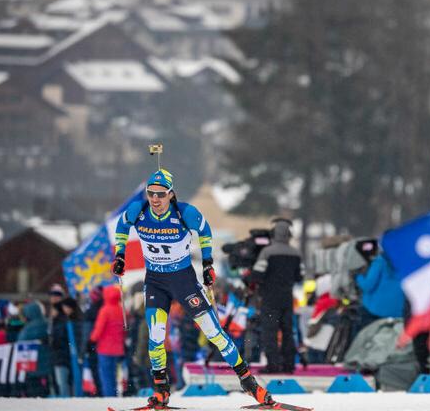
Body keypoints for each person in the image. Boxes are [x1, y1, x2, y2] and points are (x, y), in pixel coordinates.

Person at [113, 169, 273, 407]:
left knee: (214, 333)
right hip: (155, 281)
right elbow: (122, 227)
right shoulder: (139, 210)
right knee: (155, 337)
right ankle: (161, 390)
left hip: (183, 281)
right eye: (151, 193)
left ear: (170, 194)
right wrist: (120, 255)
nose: (155, 199)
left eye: (160, 194)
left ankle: (249, 383)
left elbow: (205, 232)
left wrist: (207, 263)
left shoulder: (185, 212)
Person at [251, 218, 303, 374]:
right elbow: (300, 277)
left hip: (270, 298)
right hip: (287, 298)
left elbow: (257, 275)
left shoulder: (267, 252)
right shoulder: (296, 253)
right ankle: (289, 364)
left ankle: (273, 365)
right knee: (288, 331)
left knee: (270, 331)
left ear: (274, 233)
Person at [88, 286, 125, 397]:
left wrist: (91, 340)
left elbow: (99, 329)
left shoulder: (105, 310)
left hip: (104, 348)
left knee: (105, 375)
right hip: (118, 348)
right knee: (113, 375)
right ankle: (114, 395)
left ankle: (109, 397)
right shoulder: (121, 310)